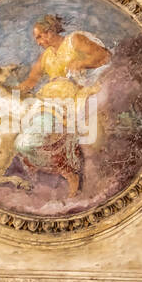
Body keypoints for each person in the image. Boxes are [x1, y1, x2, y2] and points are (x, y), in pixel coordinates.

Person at [14, 14, 112, 196]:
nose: (38, 42)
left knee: (28, 142)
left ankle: (70, 171)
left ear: (50, 32)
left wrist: (82, 62)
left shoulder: (74, 40)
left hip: (68, 96)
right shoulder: (46, 56)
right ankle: (65, 170)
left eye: (39, 37)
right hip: (46, 100)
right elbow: (30, 82)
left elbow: (104, 55)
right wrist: (4, 88)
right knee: (22, 142)